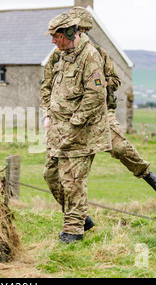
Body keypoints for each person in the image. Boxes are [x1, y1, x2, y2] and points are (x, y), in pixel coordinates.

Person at [66, 6, 156, 195]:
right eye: (74, 28)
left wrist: (103, 83)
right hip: (73, 117)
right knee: (72, 170)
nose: (78, 32)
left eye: (81, 29)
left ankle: (146, 173)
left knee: (120, 147)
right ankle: (80, 213)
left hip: (101, 113)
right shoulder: (61, 56)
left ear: (86, 30)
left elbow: (116, 79)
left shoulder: (98, 54)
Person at [41, 13, 112, 244]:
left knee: (73, 181)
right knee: (51, 175)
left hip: (81, 131)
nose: (53, 41)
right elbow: (47, 86)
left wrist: (75, 122)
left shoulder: (90, 56)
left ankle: (73, 231)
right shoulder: (58, 56)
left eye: (57, 36)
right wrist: (47, 113)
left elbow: (96, 94)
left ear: (71, 34)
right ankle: (82, 217)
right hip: (57, 130)